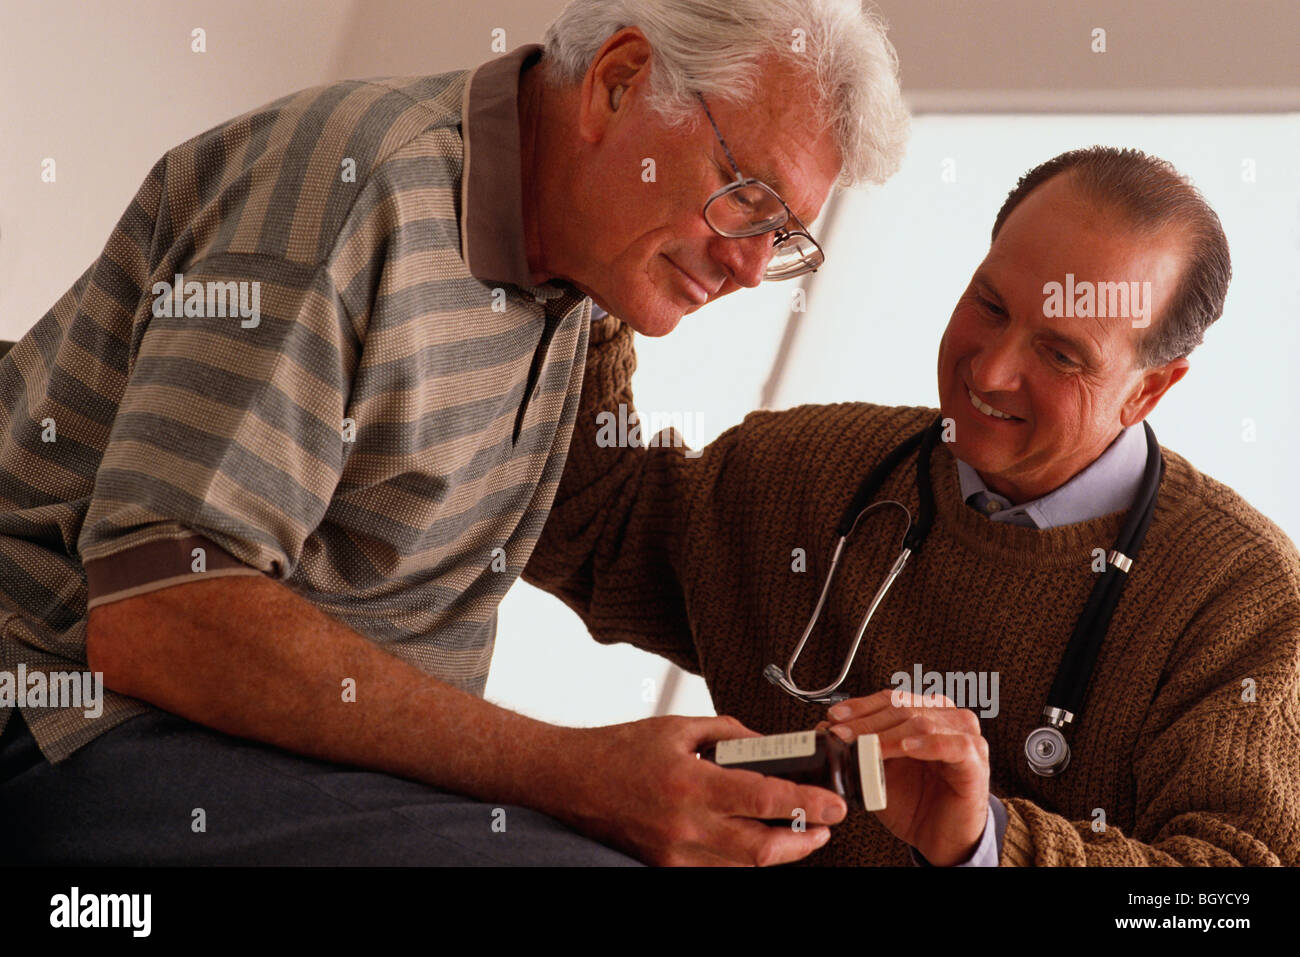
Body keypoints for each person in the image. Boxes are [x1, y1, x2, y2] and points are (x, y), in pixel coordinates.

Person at [0, 0, 909, 865]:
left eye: (784, 232)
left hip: (296, 762)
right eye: (747, 195)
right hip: (76, 714)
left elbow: (628, 531)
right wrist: (578, 772)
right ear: (620, 82)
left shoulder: (575, 280)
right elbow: (158, 616)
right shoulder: (356, 191)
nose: (753, 267)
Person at [523, 146, 1300, 866]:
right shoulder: (811, 469)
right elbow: (588, 519)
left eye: (1060, 353)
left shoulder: (1245, 600)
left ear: (1150, 389)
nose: (990, 373)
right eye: (990, 306)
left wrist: (985, 842)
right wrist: (603, 269)